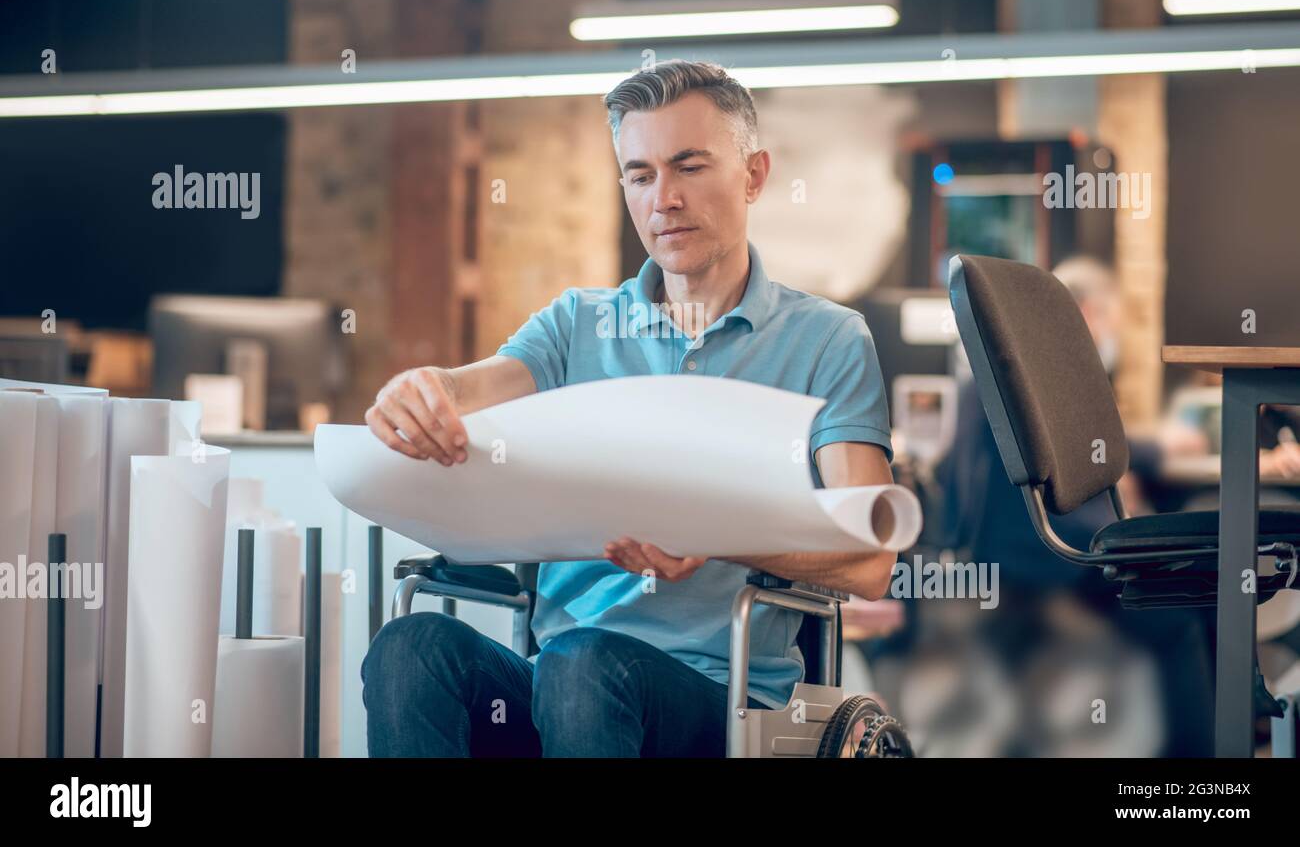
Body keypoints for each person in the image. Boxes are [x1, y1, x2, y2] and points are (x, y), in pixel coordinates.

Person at [360, 60, 897, 757]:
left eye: (690, 167)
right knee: (413, 644)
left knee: (586, 663)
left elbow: (871, 560)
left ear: (755, 175)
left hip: (721, 696)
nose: (663, 199)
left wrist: (714, 534)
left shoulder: (827, 338)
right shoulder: (577, 324)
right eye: (641, 176)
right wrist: (424, 388)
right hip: (554, 681)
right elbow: (473, 387)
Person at [937, 255, 1217, 756]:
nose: (1109, 335)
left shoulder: (1000, 367)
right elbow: (1087, 449)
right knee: (1185, 609)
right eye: (1109, 319)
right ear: (1084, 313)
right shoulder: (1045, 370)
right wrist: (1154, 450)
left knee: (1194, 587)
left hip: (994, 558)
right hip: (1048, 558)